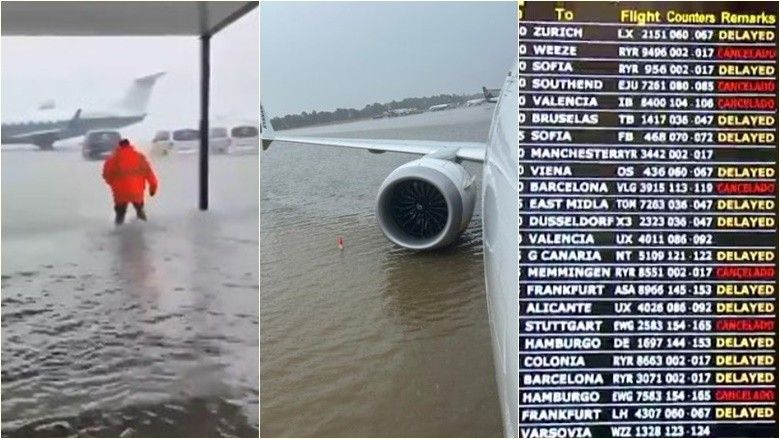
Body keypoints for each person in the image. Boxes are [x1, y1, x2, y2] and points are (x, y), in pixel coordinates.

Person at [102, 138, 158, 225]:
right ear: (130, 145)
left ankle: (118, 230)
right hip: (137, 191)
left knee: (120, 213)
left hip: (120, 192)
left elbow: (106, 175)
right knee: (140, 210)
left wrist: (113, 184)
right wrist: (153, 189)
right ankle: (144, 228)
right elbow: (150, 174)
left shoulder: (112, 158)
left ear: (119, 146)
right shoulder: (140, 157)